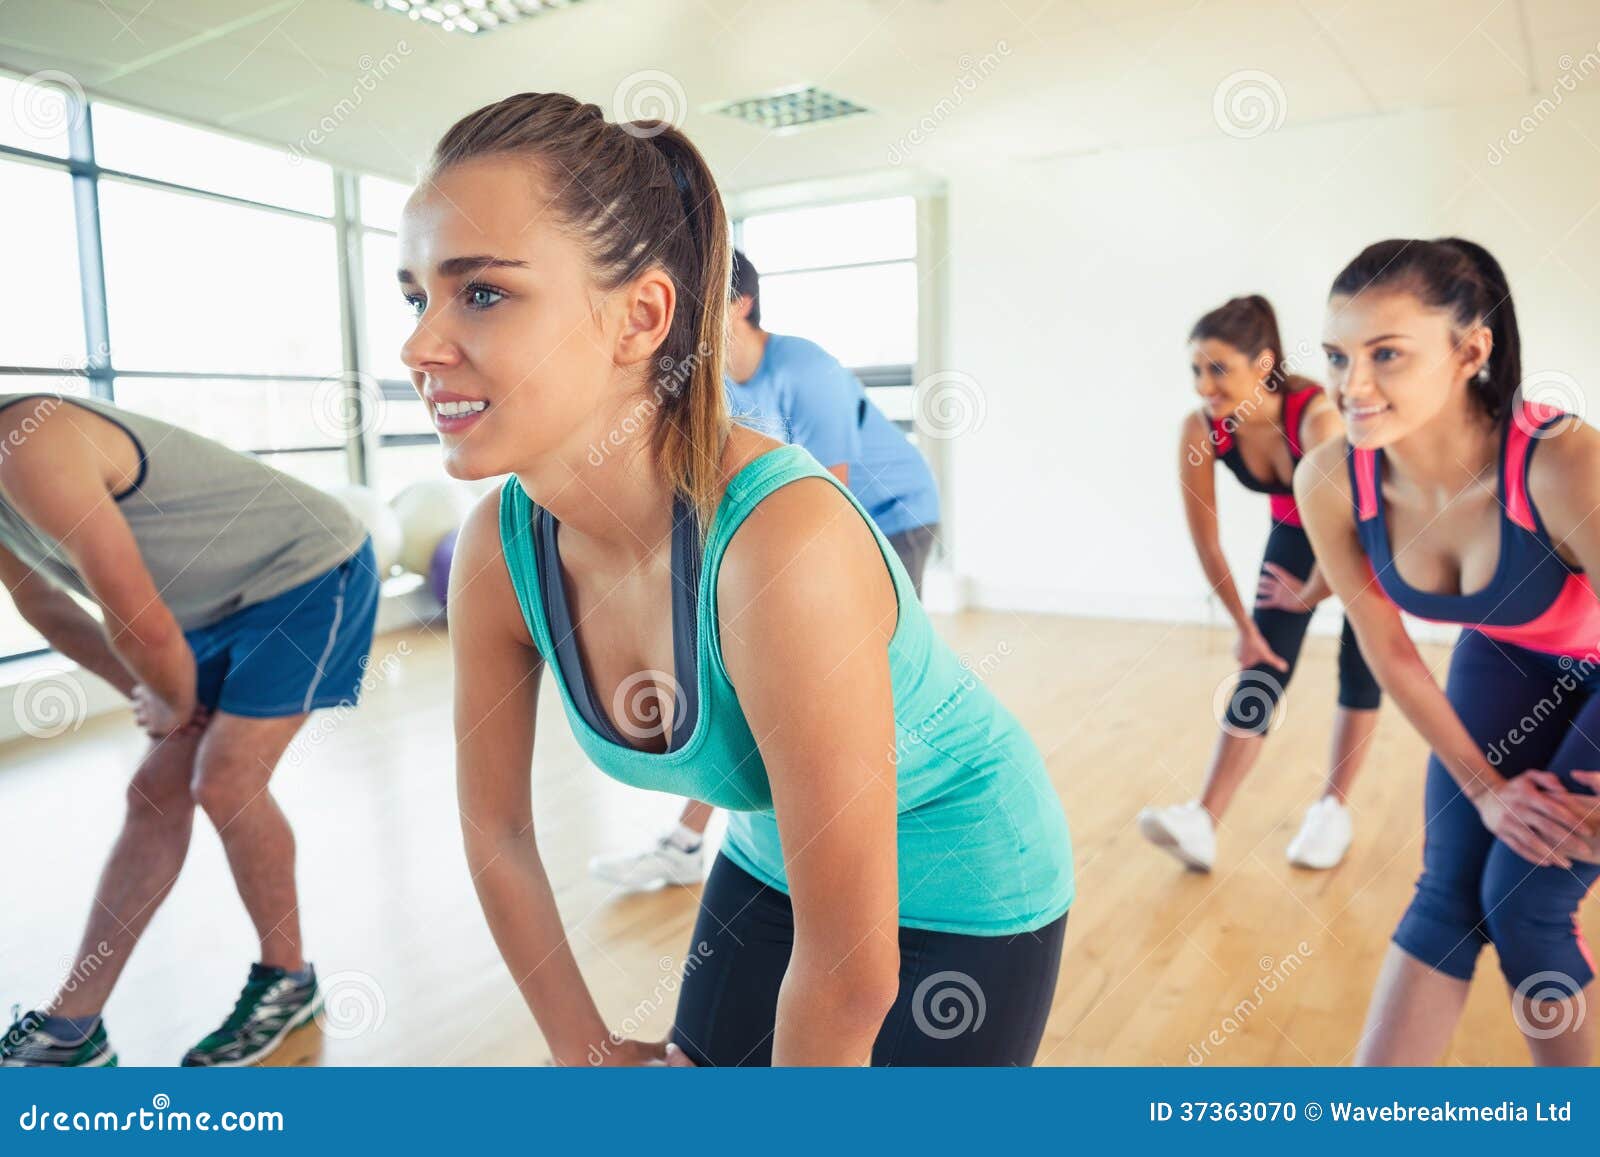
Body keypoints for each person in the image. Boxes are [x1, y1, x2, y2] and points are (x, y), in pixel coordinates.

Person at [419, 91, 1073, 1065]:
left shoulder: (783, 543)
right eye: (415, 294)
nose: (419, 344)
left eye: (480, 292)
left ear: (640, 316)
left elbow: (851, 978)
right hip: (769, 851)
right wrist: (585, 1053)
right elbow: (500, 834)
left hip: (968, 869)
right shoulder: (497, 553)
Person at [0, 393, 378, 1067]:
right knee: (156, 792)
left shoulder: (29, 442)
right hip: (203, 608)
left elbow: (139, 622)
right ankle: (72, 1028)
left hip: (309, 570)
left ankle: (288, 983)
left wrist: (173, 702)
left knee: (226, 778)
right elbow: (46, 607)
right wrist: (154, 697)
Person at [1297, 237, 1600, 1065]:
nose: (1351, 385)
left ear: (1471, 350)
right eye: (1336, 355)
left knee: (1526, 899)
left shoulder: (1564, 463)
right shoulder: (1329, 478)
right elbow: (1388, 652)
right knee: (1449, 897)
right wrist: (1488, 790)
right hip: (1509, 656)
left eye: (1386, 354)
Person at [588, 248, 944, 892]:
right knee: (751, 688)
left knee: (861, 687)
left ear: (741, 304)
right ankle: (689, 841)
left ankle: (887, 841)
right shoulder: (712, 384)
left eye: (700, 297)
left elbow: (829, 505)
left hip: (893, 516)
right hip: (803, 530)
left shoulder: (805, 370)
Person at [1139, 297, 1381, 871]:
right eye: (1197, 370)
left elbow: (1348, 528)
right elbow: (1208, 541)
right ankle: (1203, 817)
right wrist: (1245, 626)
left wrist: (1314, 591)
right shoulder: (1202, 429)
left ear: (1262, 363)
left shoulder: (1317, 419)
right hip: (1296, 528)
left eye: (1218, 369)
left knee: (1363, 658)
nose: (1204, 386)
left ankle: (1333, 810)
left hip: (1372, 530)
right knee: (1263, 662)